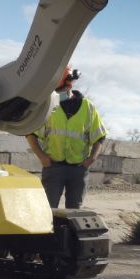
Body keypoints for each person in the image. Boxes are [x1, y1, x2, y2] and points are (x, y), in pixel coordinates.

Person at [26, 67, 106, 210]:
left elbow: (99, 136)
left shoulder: (88, 107)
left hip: (78, 169)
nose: (57, 94)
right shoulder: (48, 106)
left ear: (69, 85)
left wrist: (91, 159)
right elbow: (30, 133)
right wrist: (42, 157)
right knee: (48, 210)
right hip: (53, 167)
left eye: (59, 90)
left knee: (74, 211)